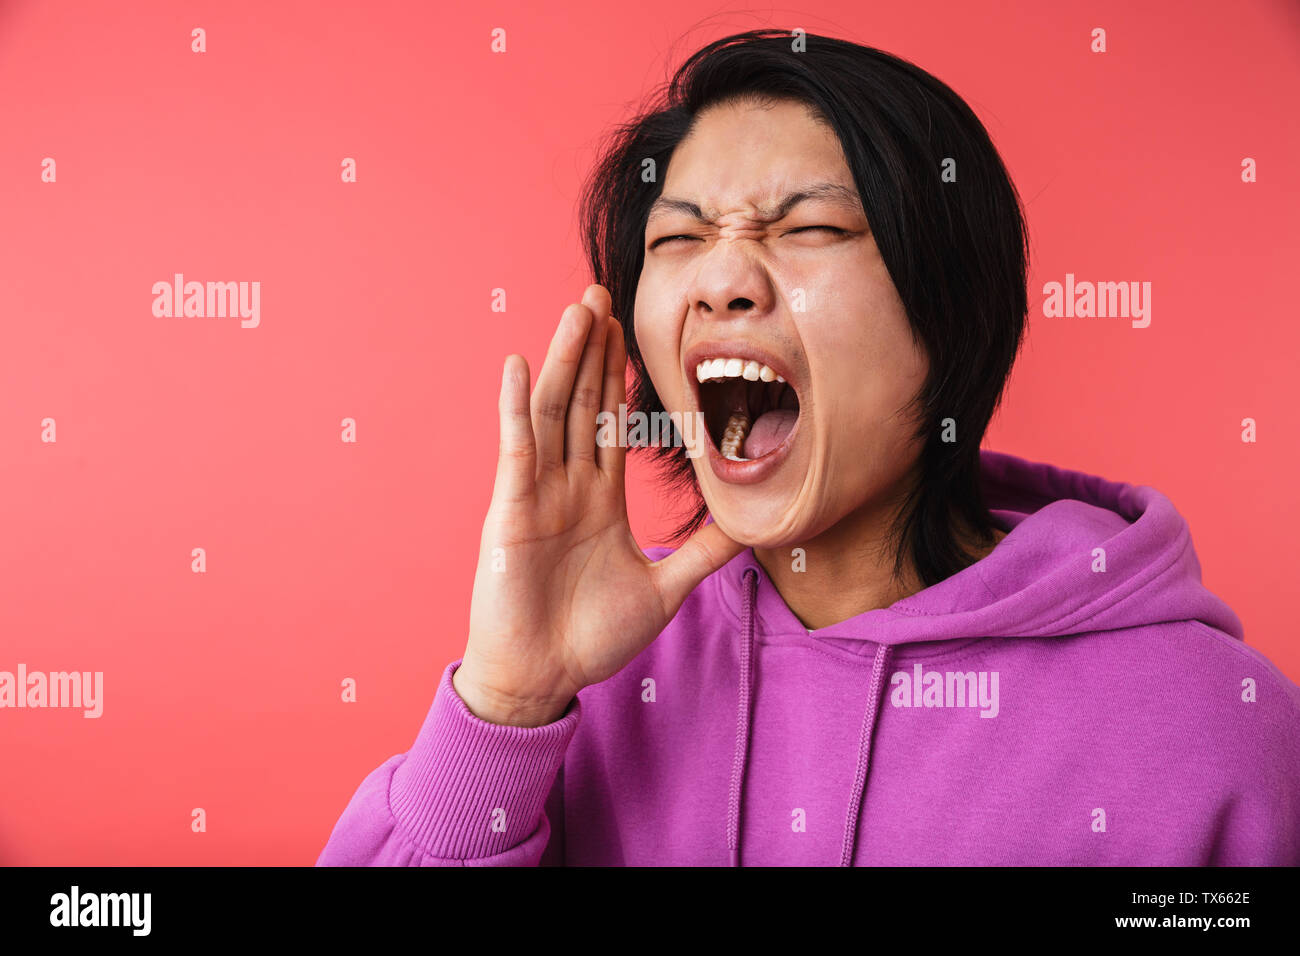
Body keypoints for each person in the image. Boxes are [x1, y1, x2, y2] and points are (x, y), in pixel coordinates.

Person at [316, 30, 1300, 866]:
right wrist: (504, 709)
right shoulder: (589, 678)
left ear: (950, 311)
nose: (722, 280)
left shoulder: (1208, 726)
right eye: (676, 240)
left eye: (811, 225)